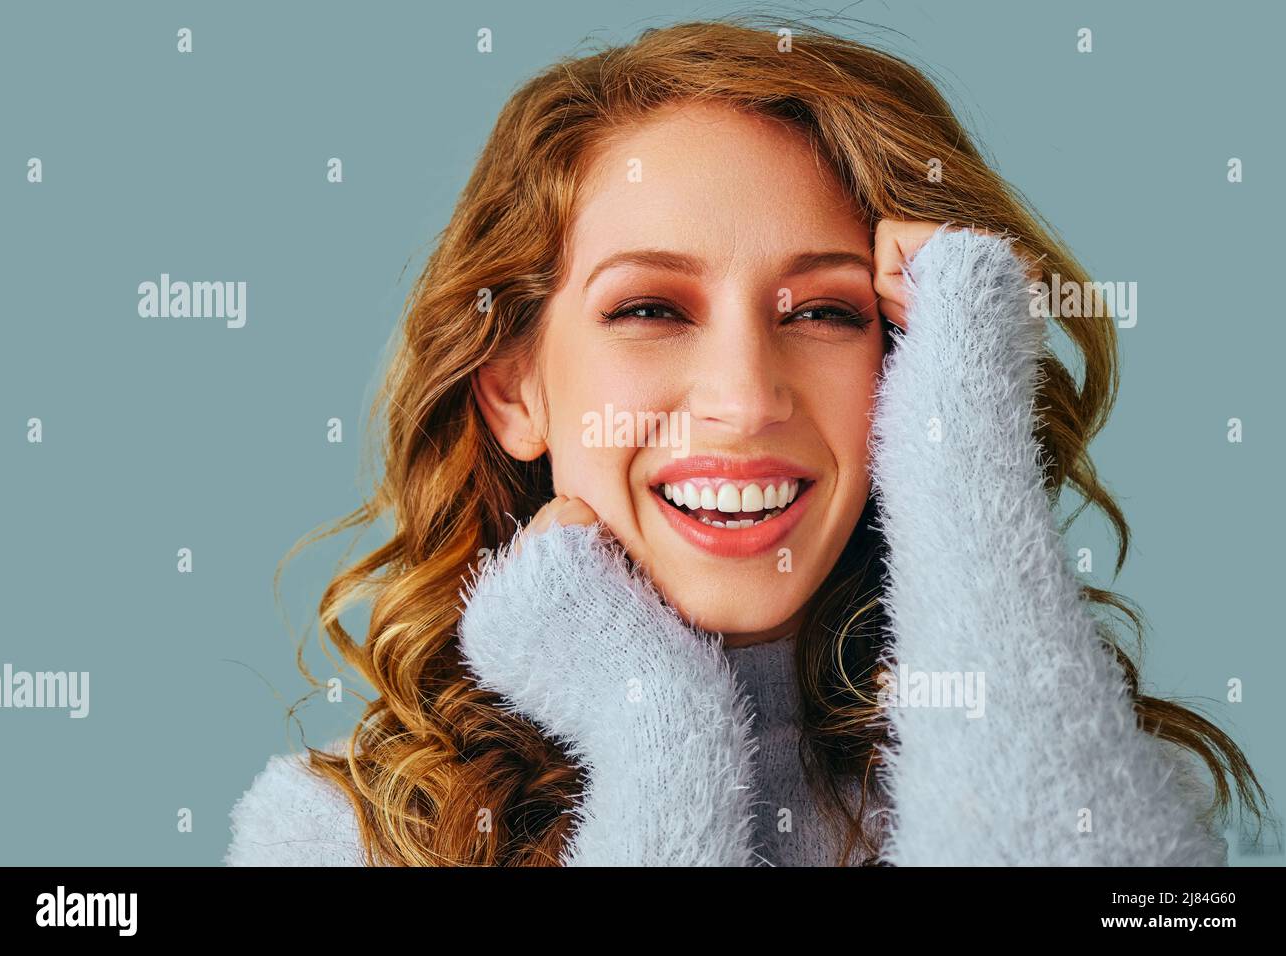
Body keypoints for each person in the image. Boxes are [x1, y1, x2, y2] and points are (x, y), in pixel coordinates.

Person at [223, 17, 1268, 867]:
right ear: (511, 387)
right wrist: (657, 731)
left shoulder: (1084, 761)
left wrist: (962, 454)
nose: (743, 397)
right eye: (649, 309)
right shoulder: (341, 835)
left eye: (824, 312)